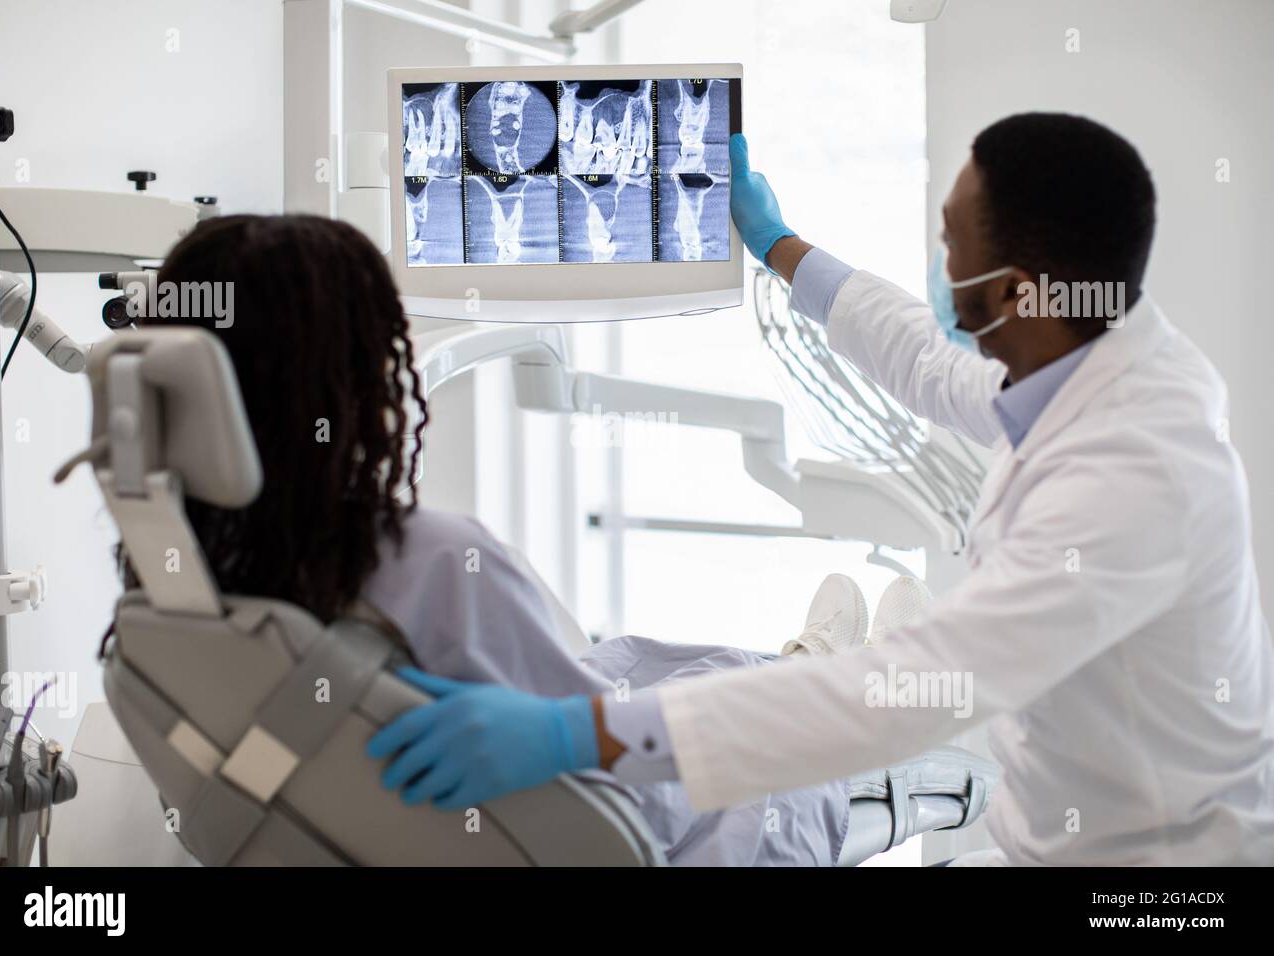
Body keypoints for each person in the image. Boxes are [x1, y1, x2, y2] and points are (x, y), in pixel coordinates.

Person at [371, 113, 1274, 865]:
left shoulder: (1135, 482)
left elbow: (897, 693)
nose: (938, 257)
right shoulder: (1075, 351)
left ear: (1015, 292)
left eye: (950, 243)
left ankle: (812, 655)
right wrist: (778, 245)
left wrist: (583, 735)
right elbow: (923, 357)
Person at [141, 213, 852, 865]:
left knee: (634, 661)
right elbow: (631, 803)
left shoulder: (170, 591)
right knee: (729, 695)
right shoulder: (434, 564)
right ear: (348, 376)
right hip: (614, 830)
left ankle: (806, 658)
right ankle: (827, 667)